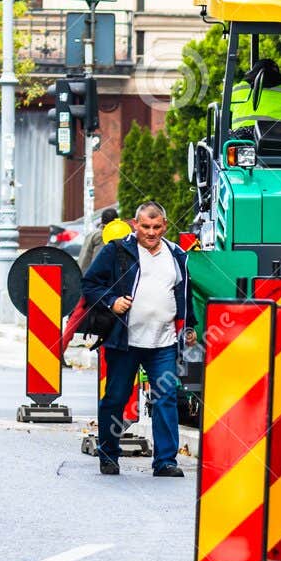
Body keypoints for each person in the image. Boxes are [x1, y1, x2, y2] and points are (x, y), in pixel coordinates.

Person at [82, 200, 194, 476]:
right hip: (125, 340)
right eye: (146, 226)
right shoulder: (117, 251)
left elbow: (185, 293)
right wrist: (112, 302)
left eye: (157, 227)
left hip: (163, 342)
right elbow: (90, 284)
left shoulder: (177, 255)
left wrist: (190, 326)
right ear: (135, 224)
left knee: (166, 397)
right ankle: (109, 455)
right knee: (116, 398)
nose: (152, 232)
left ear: (165, 226)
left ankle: (166, 461)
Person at [78, 206, 120, 271]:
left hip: (80, 272)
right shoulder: (102, 236)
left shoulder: (94, 233)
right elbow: (98, 262)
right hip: (88, 276)